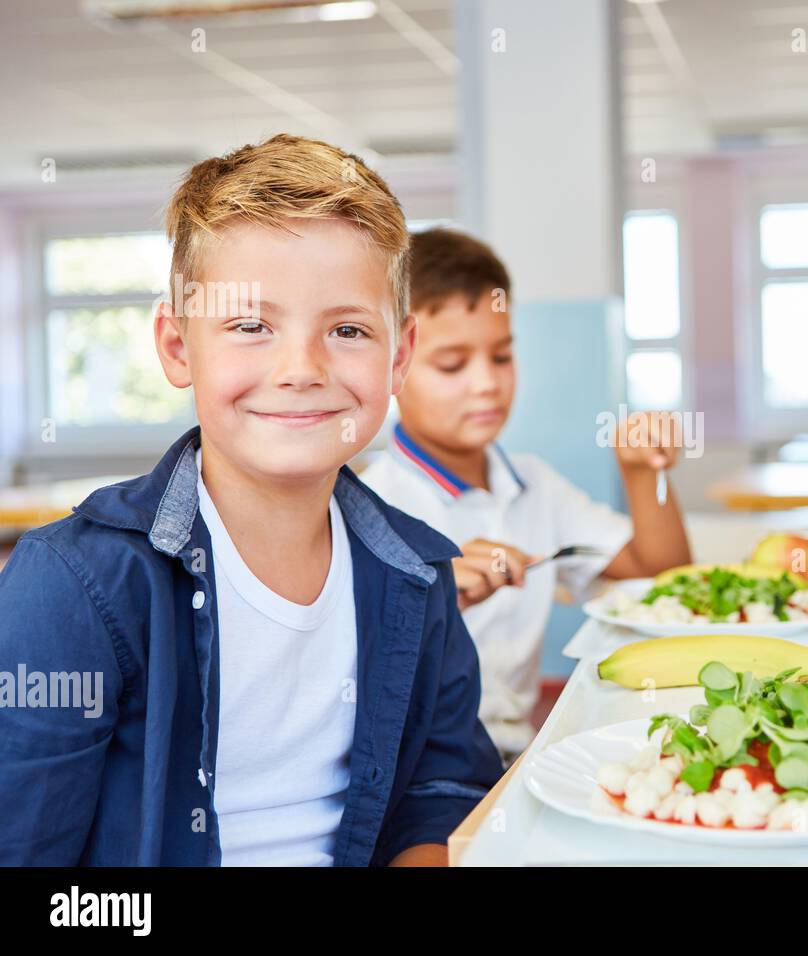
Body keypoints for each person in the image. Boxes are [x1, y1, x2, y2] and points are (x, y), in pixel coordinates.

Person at [0, 134, 502, 866]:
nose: (301, 369)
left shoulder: (419, 570)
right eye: (249, 326)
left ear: (398, 356)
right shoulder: (70, 588)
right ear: (177, 348)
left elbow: (440, 785)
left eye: (348, 329)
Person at [361, 228, 692, 758]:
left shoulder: (535, 484)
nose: (486, 383)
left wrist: (642, 474)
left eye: (501, 356)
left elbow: (666, 578)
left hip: (516, 755)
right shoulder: (369, 508)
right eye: (452, 364)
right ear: (394, 366)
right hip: (415, 776)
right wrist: (439, 604)